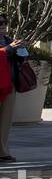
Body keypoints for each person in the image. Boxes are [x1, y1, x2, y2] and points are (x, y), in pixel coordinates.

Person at [0, 13, 24, 163]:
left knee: (6, 120)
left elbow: (19, 59)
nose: (2, 25)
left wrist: (21, 50)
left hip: (10, 83)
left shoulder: (8, 40)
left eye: (4, 22)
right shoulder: (8, 44)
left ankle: (2, 151)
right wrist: (8, 49)